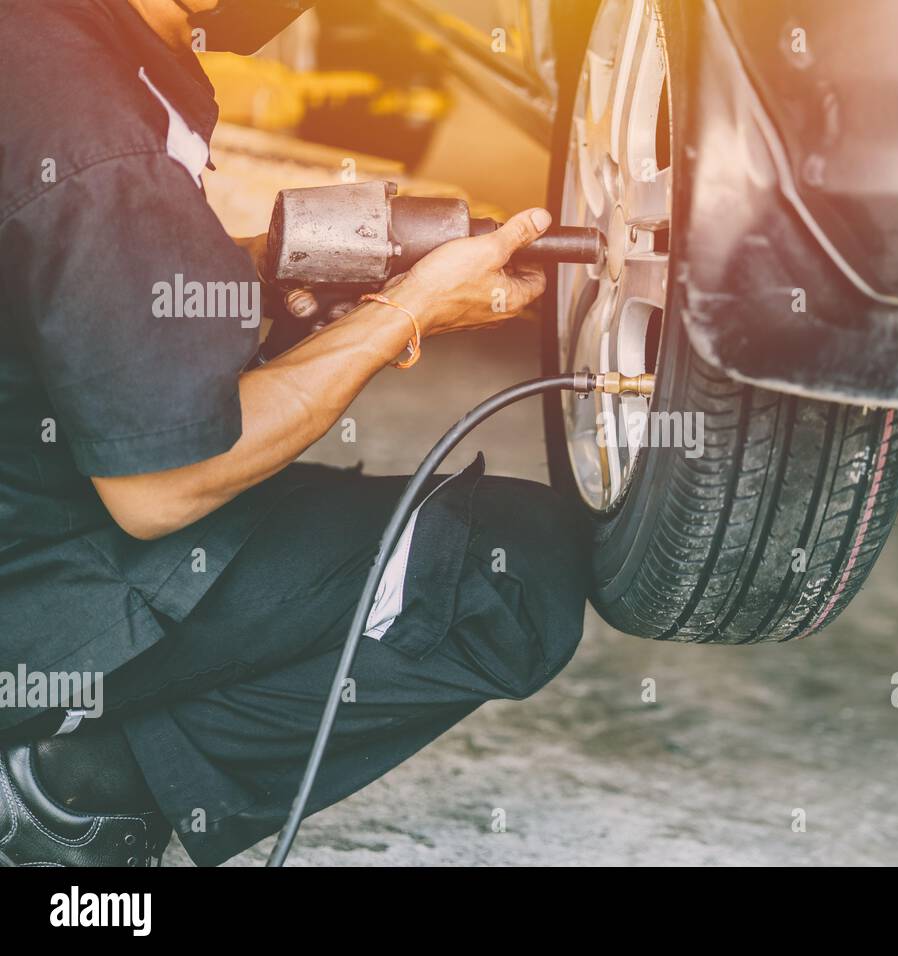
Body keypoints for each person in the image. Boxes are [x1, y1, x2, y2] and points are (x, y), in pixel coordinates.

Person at [0, 0, 587, 867]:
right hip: (30, 598)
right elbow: (162, 488)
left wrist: (278, 272)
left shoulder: (44, 48)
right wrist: (407, 311)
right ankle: (65, 801)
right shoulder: (98, 129)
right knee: (504, 572)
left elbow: (72, 284)